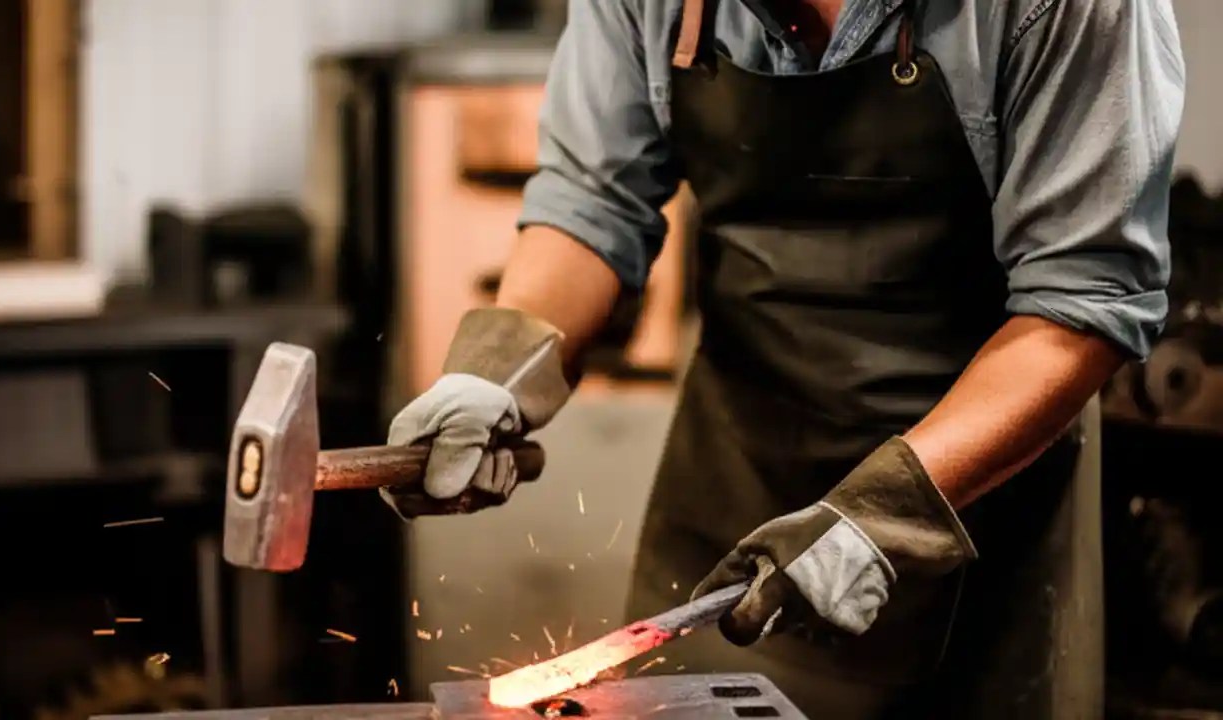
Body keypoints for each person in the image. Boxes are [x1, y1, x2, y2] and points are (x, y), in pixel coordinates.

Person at [382, 0, 1186, 717]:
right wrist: (495, 375)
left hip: (973, 514)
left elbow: (1079, 304)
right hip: (733, 489)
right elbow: (591, 205)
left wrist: (885, 515)